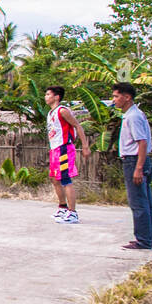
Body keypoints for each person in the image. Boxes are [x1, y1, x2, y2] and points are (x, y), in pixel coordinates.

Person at [113, 82, 152, 251]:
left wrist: (138, 168)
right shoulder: (134, 114)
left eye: (117, 96)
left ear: (127, 97)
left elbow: (142, 142)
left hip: (135, 160)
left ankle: (144, 240)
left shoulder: (133, 116)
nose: (114, 100)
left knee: (138, 202)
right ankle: (148, 238)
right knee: (144, 202)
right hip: (138, 160)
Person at [45, 85, 89, 224]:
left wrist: (85, 146)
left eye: (48, 94)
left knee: (65, 180)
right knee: (54, 179)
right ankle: (63, 207)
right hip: (55, 149)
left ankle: (73, 212)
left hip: (64, 148)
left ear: (56, 97)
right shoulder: (50, 113)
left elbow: (77, 126)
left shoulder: (62, 111)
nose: (46, 97)